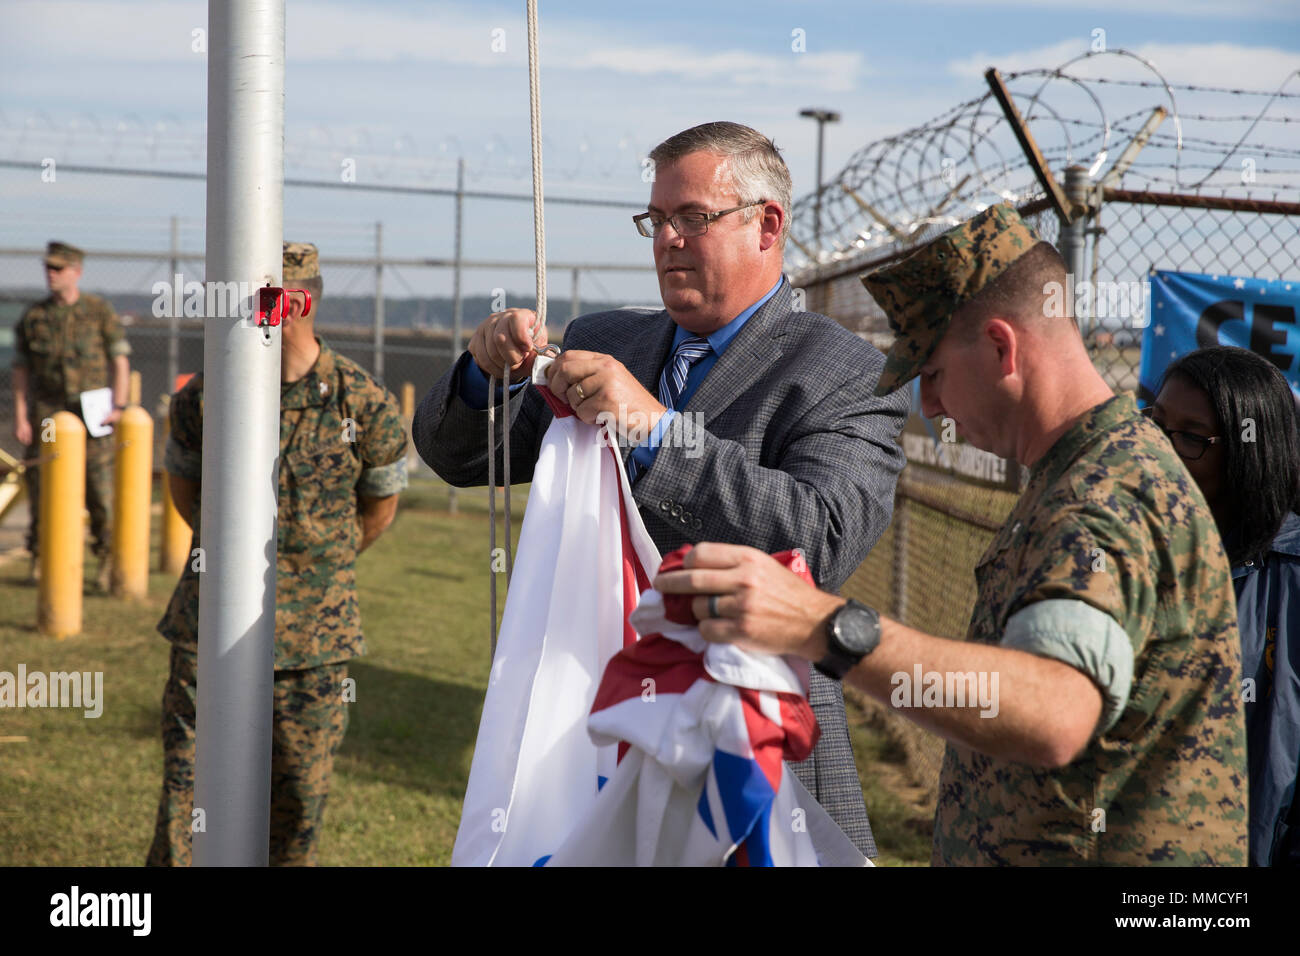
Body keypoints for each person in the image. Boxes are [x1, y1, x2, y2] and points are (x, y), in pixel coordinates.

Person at [654, 203, 1249, 865]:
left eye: (932, 375)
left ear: (1002, 348)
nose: (929, 408)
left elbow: (1054, 710)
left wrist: (820, 624)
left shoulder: (1106, 494)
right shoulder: (1081, 470)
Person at [413, 121, 909, 858]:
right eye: (657, 219)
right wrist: (482, 374)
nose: (668, 239)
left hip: (757, 764)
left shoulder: (844, 373)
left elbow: (821, 539)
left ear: (766, 224)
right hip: (594, 733)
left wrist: (654, 431)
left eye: (693, 218)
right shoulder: (605, 339)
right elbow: (459, 461)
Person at [146, 242, 409, 866]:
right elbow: (186, 493)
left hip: (313, 645)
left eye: (255, 301)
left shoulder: (361, 404)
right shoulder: (209, 396)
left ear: (294, 303)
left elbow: (377, 510)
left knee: (294, 813)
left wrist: (312, 566)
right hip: (208, 629)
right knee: (185, 811)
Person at [1149, 346, 1300, 866]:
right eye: (1155, 423)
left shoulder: (1291, 574)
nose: (1162, 451)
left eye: (1191, 438)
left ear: (1248, 453)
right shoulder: (1127, 552)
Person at [12, 241, 131, 589]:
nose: (51, 274)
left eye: (58, 269)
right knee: (43, 488)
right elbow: (21, 371)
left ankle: (106, 560)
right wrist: (22, 417)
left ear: (76, 272)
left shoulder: (97, 310)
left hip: (93, 415)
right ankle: (41, 557)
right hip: (48, 414)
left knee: (99, 489)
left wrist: (118, 407)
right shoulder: (35, 317)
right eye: (47, 268)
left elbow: (119, 360)